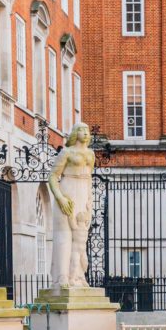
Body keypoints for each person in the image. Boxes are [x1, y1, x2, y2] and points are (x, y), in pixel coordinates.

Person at [47, 123, 95, 289]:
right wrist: (60, 198)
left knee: (80, 238)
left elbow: (89, 179)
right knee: (64, 235)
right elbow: (53, 177)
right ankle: (62, 276)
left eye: (87, 130)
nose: (85, 133)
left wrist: (90, 202)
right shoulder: (66, 152)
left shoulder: (90, 154)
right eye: (82, 130)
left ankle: (78, 276)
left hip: (83, 192)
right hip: (68, 192)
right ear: (75, 133)